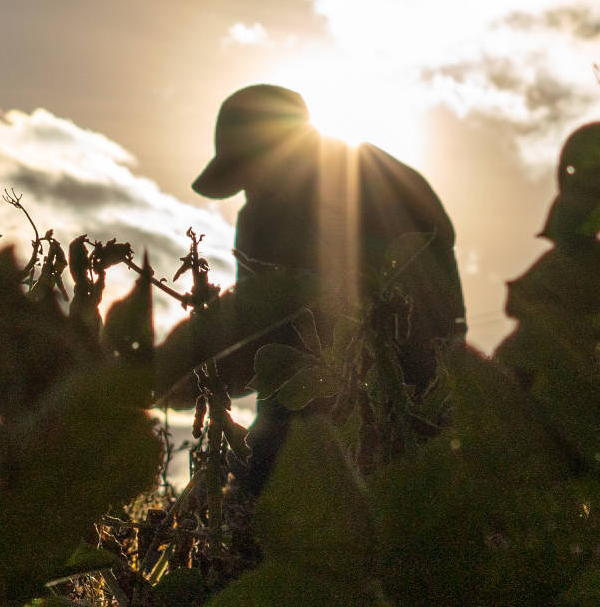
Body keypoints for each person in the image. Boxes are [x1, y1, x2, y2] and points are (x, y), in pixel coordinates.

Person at [159, 84, 468, 477]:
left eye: (248, 168)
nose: (249, 188)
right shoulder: (269, 212)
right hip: (414, 407)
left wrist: (167, 372)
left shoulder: (284, 211)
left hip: (390, 408)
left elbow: (261, 323)